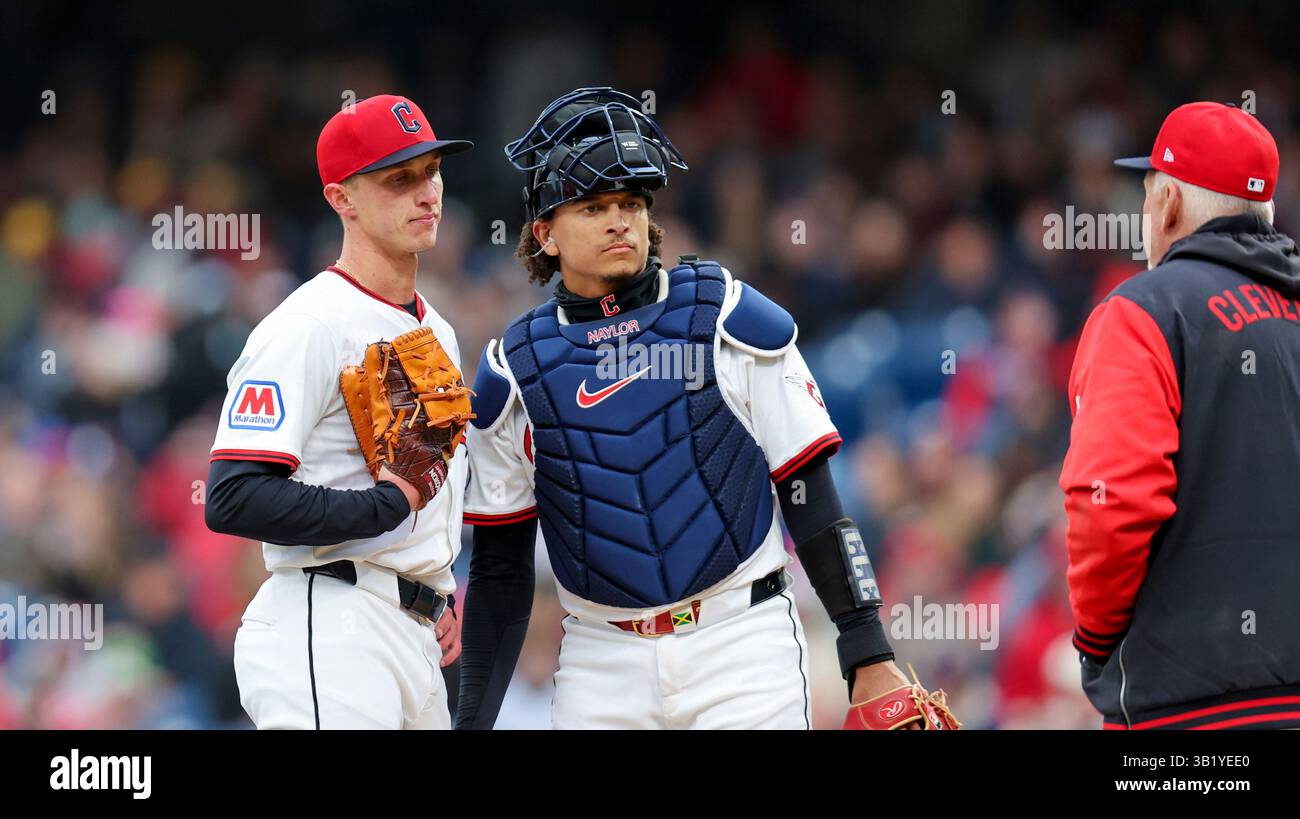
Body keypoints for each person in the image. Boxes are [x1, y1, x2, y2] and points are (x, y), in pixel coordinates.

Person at [455, 87, 942, 730]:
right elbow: (499, 570)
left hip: (741, 641)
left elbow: (810, 496)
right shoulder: (514, 370)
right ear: (544, 233)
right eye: (594, 206)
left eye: (631, 203)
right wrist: (470, 722)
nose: (618, 221)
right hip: (603, 661)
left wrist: (865, 646)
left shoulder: (726, 316)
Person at [204, 94, 474, 729]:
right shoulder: (306, 325)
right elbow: (234, 497)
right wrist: (382, 509)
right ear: (341, 199)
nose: (426, 192)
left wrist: (432, 586)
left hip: (410, 633)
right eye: (398, 178)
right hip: (329, 618)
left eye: (431, 171)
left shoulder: (439, 331)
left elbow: (427, 492)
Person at [1062, 101, 1300, 729]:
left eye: (1146, 194)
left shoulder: (1142, 312)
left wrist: (1095, 642)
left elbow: (1110, 501)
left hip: (1191, 716)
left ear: (1167, 204)